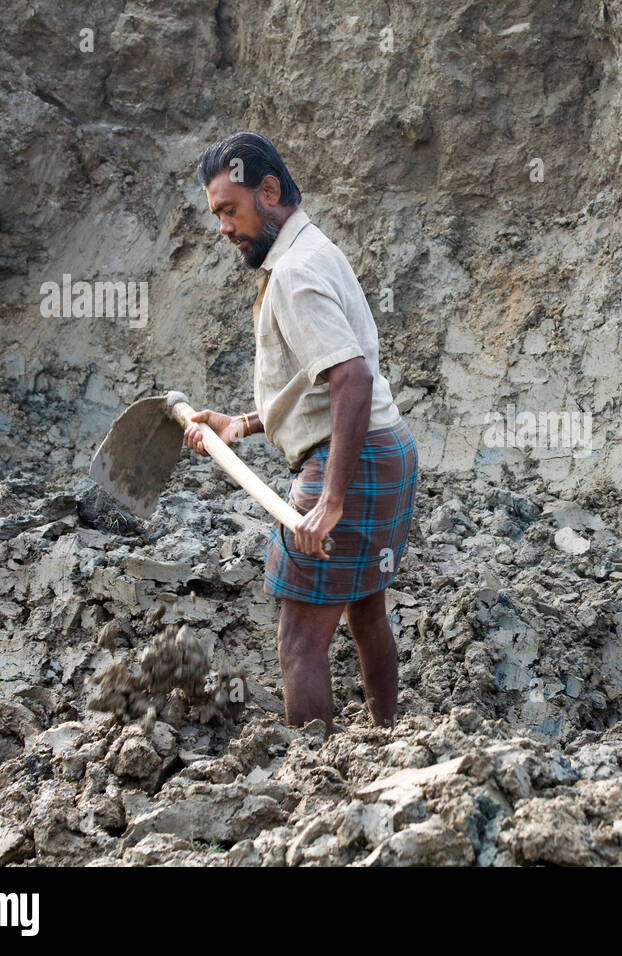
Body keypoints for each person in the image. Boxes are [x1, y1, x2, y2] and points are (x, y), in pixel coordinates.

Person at [183, 131, 417, 733]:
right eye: (217, 215)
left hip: (352, 463)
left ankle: (315, 785)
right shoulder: (313, 249)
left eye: (229, 210)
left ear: (268, 191)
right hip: (386, 451)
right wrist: (243, 423)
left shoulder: (292, 272)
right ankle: (388, 739)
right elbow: (320, 383)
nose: (223, 229)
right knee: (366, 611)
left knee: (298, 644)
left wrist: (330, 500)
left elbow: (351, 380)